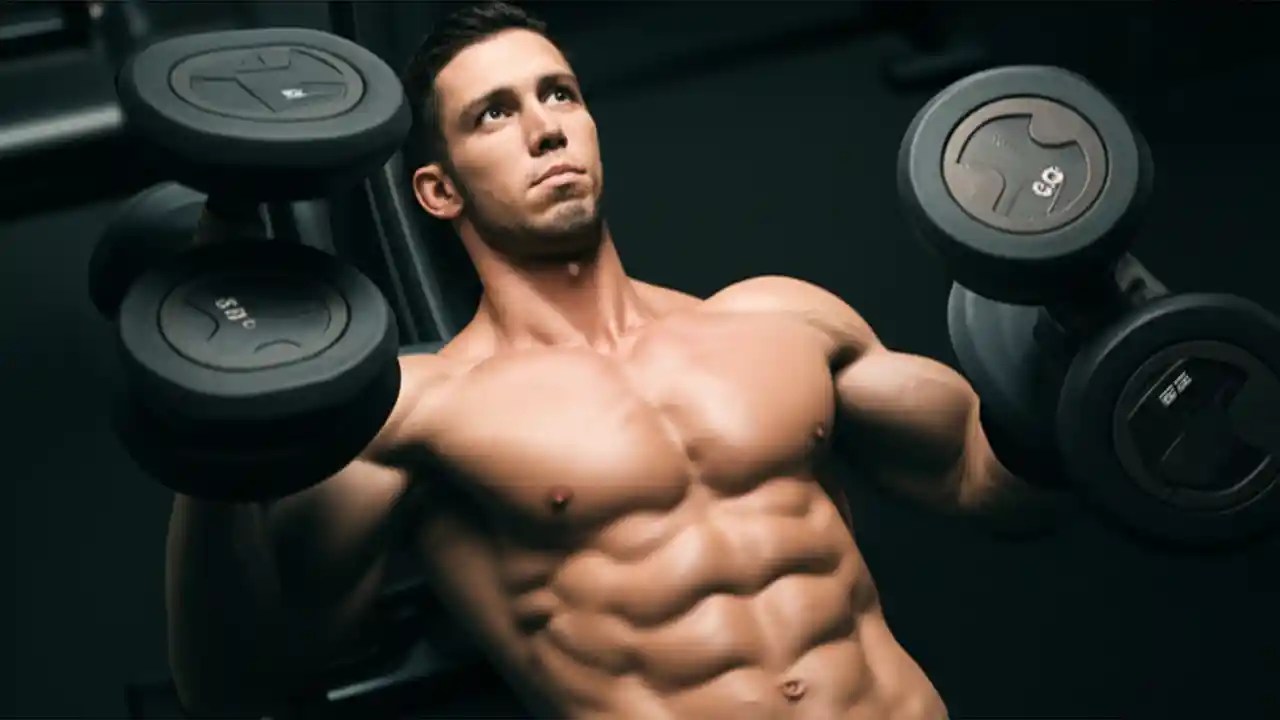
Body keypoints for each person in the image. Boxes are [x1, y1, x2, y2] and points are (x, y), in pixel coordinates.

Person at [165, 3, 1055, 718]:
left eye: (560, 94)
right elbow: (237, 685)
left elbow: (992, 487)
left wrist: (1077, 325)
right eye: (494, 114)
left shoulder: (780, 320)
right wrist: (206, 401)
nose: (545, 130)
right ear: (438, 191)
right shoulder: (417, 415)